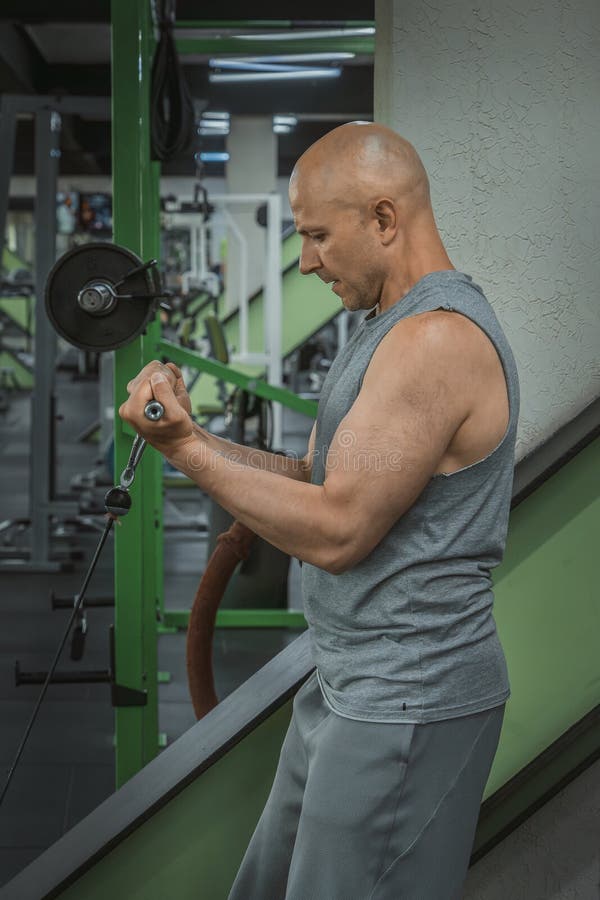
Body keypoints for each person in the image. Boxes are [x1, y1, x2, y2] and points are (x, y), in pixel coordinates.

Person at [120, 122, 520, 900]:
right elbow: (322, 478)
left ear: (382, 219)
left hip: (410, 695)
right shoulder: (385, 329)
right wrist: (196, 435)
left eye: (316, 236)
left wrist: (182, 455)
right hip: (348, 680)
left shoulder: (435, 341)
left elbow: (337, 530)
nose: (304, 261)